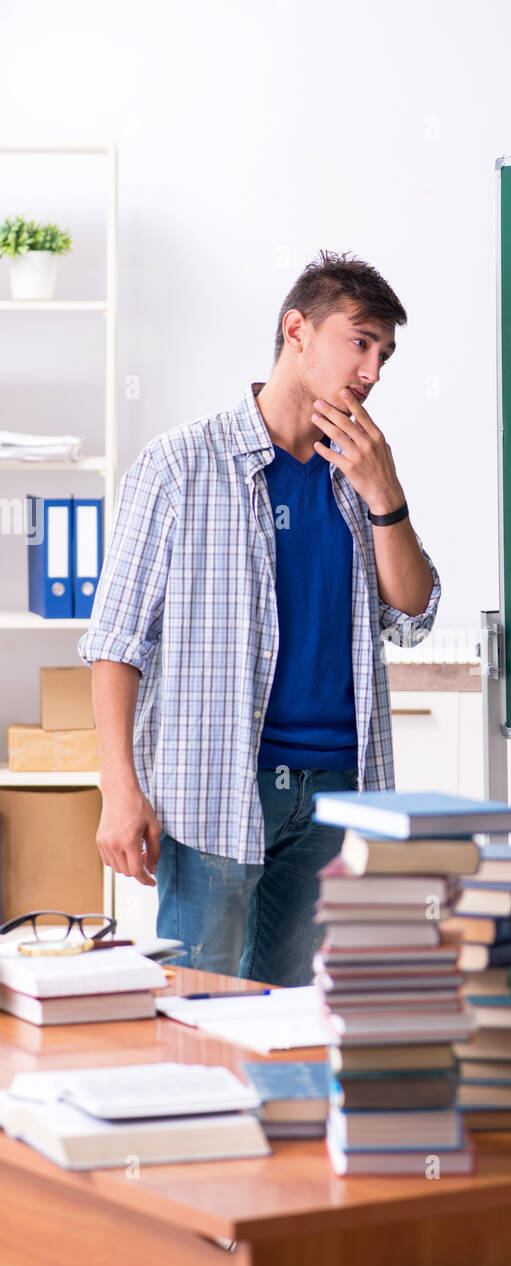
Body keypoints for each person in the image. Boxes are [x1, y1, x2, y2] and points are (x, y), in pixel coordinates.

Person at [79, 250, 441, 985]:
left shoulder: (359, 474)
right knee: (194, 1008)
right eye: (360, 341)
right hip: (215, 785)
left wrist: (385, 492)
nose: (372, 370)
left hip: (339, 787)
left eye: (384, 354)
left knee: (287, 1013)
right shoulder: (181, 464)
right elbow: (116, 642)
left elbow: (412, 610)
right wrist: (120, 791)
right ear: (296, 330)